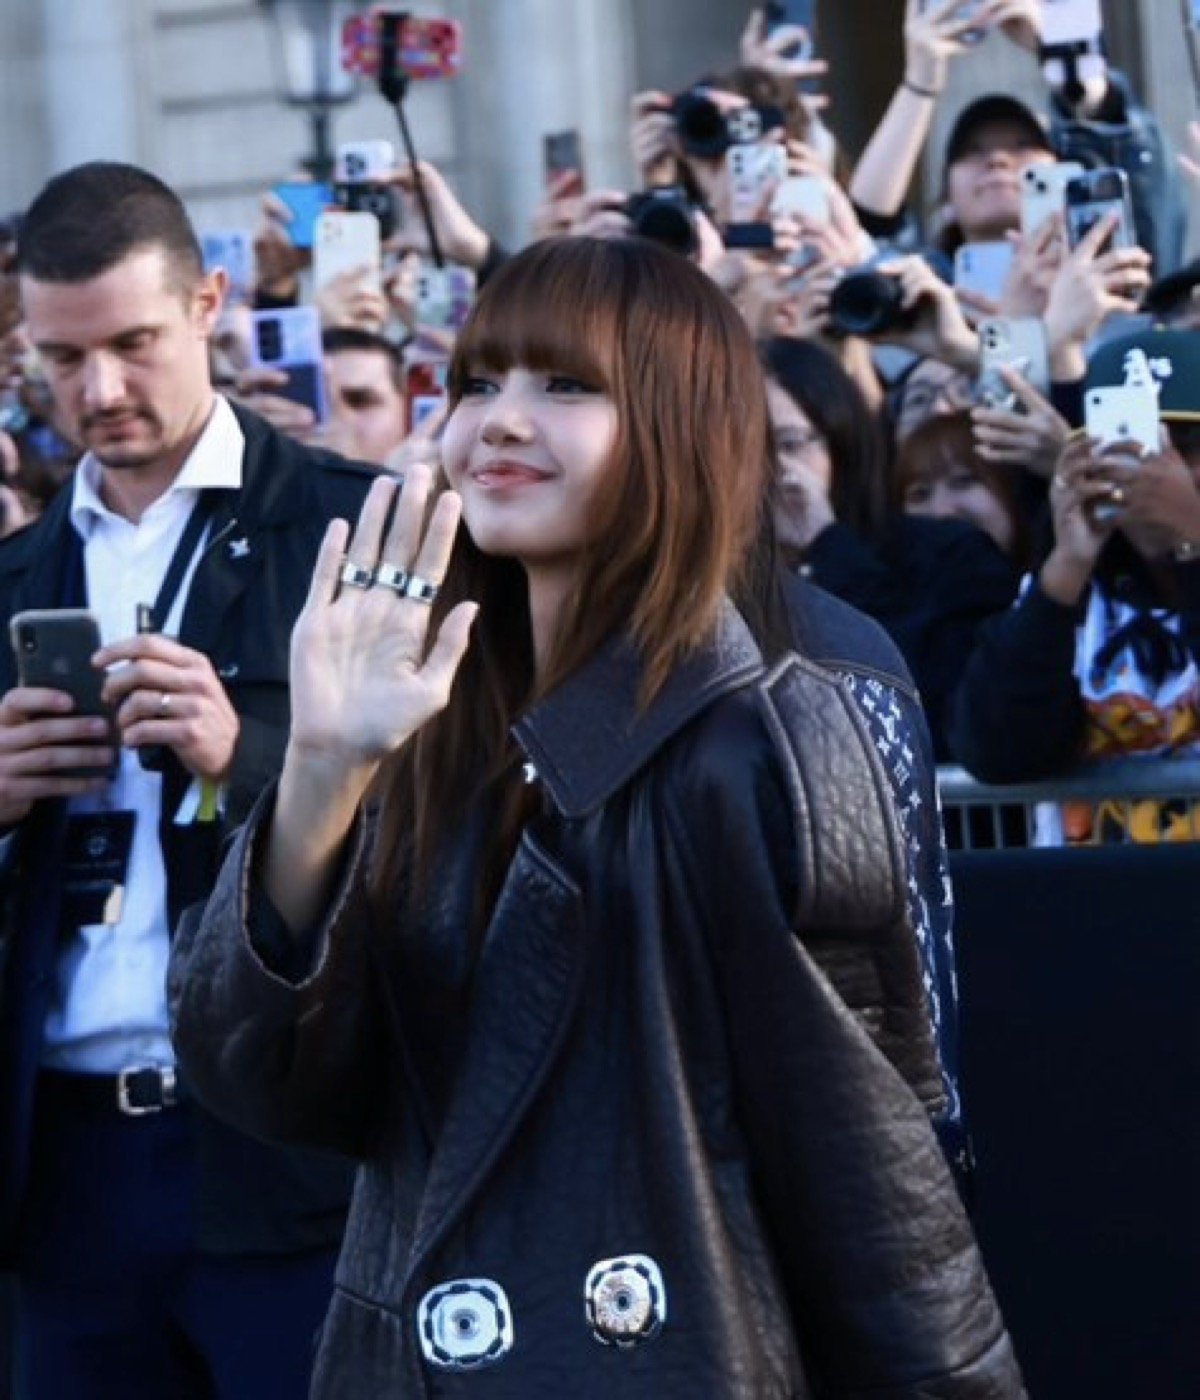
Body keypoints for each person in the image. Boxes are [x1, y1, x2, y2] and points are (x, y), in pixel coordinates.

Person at [169, 236, 1023, 1397]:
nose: (502, 422)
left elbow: (875, 1175)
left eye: (568, 384)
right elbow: (264, 1084)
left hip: (684, 1349)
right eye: (479, 382)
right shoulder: (425, 690)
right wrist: (323, 766)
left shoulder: (787, 701)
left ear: (682, 416)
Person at [0, 161, 374, 1398]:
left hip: (286, 1139)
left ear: (211, 302)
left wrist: (250, 754)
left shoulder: (346, 528)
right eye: (60, 358)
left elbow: (458, 803)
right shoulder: (16, 571)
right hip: (61, 1164)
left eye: (131, 342)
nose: (97, 390)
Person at [949, 327, 1200, 844]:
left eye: (1188, 448)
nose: (1158, 471)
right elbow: (994, 752)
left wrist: (1193, 538)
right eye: (1129, 445)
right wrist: (1066, 566)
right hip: (1096, 901)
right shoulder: (1067, 587)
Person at [763, 337, 1019, 758]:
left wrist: (827, 544)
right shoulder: (714, 583)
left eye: (789, 444)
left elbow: (918, 707)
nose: (769, 471)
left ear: (841, 444)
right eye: (742, 449)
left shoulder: (947, 553)